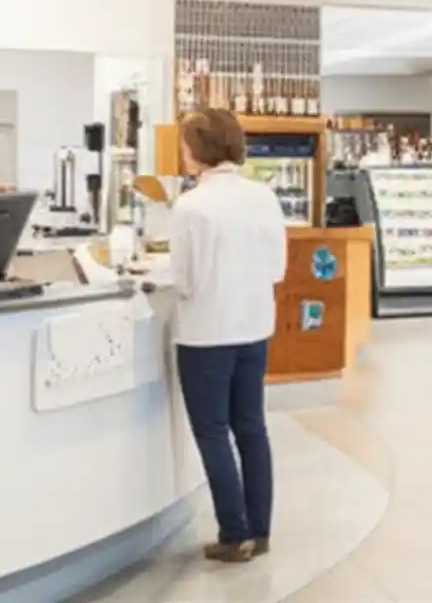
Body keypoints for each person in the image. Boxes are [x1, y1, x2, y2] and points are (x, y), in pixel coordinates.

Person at [171, 108, 287, 563]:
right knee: (252, 428)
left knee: (213, 431)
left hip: (206, 334)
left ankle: (233, 532)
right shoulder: (264, 197)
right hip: (255, 327)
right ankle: (259, 531)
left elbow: (185, 281)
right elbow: (277, 268)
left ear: (199, 149)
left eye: (185, 144)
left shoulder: (191, 206)